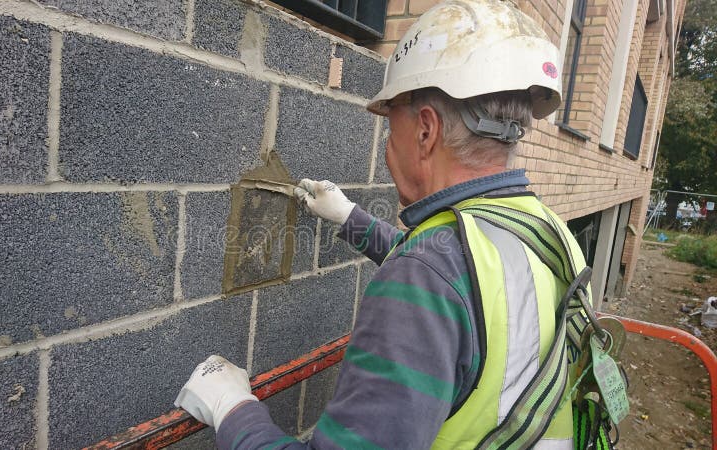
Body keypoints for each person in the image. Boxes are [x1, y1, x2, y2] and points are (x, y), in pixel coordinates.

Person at [175, 1, 589, 448]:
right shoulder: (550, 234)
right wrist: (350, 218)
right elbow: (462, 281)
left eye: (390, 132)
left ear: (426, 131)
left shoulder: (425, 278)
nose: (387, 151)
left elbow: (438, 277)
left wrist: (233, 409)